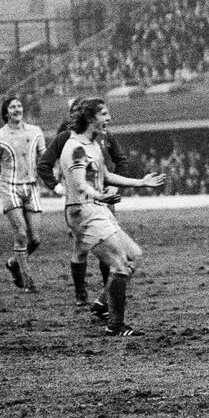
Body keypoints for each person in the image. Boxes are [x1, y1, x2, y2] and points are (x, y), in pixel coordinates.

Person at [59, 99, 166, 336]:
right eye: (105, 114)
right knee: (120, 265)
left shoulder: (93, 145)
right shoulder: (75, 147)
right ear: (90, 118)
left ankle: (102, 303)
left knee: (130, 258)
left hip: (96, 208)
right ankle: (115, 325)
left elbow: (105, 175)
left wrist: (141, 182)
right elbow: (79, 185)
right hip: (83, 210)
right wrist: (100, 197)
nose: (110, 118)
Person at [37, 97, 135, 307]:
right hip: (81, 203)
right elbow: (44, 164)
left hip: (104, 199)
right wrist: (58, 187)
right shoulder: (66, 139)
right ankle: (82, 293)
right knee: (83, 248)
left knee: (111, 250)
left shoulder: (105, 137)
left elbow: (120, 161)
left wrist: (115, 187)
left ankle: (107, 292)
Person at [0, 97, 46, 291]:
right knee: (20, 233)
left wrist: (57, 178)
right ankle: (27, 281)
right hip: (9, 187)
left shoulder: (36, 132)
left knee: (35, 240)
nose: (17, 109)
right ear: (6, 112)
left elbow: (45, 159)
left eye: (19, 106)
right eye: (12, 107)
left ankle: (13, 263)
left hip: (32, 186)